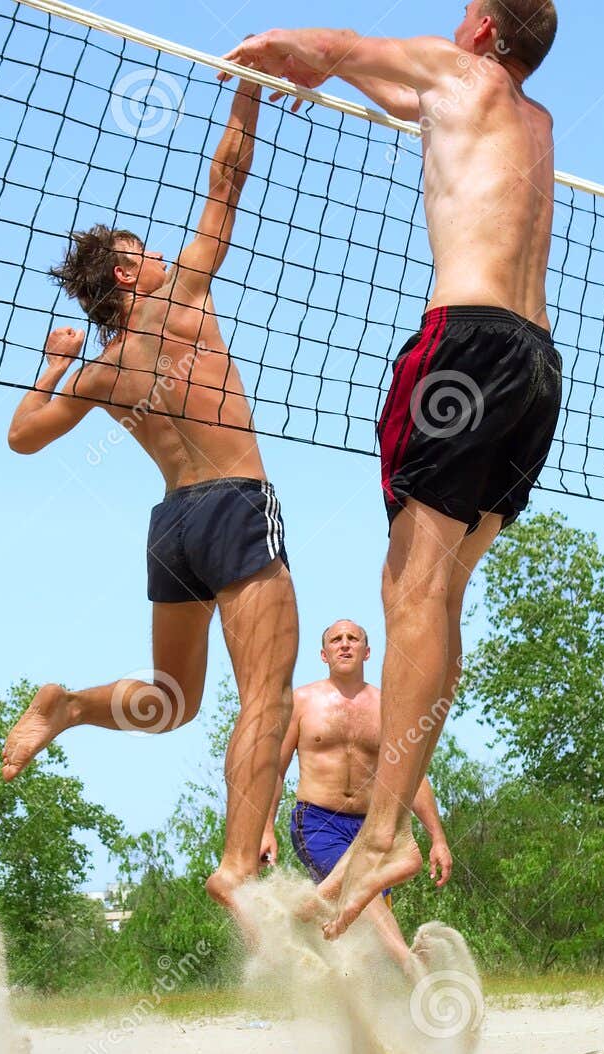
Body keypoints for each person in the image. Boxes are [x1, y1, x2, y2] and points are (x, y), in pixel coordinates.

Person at [225, 2, 561, 937]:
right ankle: (388, 828)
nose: (452, 16)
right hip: (536, 370)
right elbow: (384, 88)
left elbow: (327, 43)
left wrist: (276, 53)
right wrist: (328, 75)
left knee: (408, 596)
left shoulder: (460, 76)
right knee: (439, 597)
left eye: (466, 8)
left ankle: (379, 836)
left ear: (488, 30)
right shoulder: (531, 121)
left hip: (466, 350)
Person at [0, 79, 298, 913]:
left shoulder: (101, 371)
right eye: (148, 252)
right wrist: (252, 92)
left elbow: (22, 436)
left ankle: (65, 708)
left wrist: (54, 360)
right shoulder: (182, 300)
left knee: (175, 704)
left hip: (173, 526)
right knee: (266, 698)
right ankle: (239, 864)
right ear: (132, 271)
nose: (166, 256)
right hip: (237, 503)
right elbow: (226, 185)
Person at [263, 619, 451, 970]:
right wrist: (265, 827)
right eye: (336, 639)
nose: (345, 644)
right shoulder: (302, 702)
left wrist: (437, 837)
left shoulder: (388, 709)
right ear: (323, 654)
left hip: (373, 825)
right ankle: (410, 965)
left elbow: (413, 777)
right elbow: (276, 768)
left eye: (353, 638)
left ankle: (314, 940)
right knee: (359, 889)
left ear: (367, 651)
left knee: (367, 912)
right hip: (318, 822)